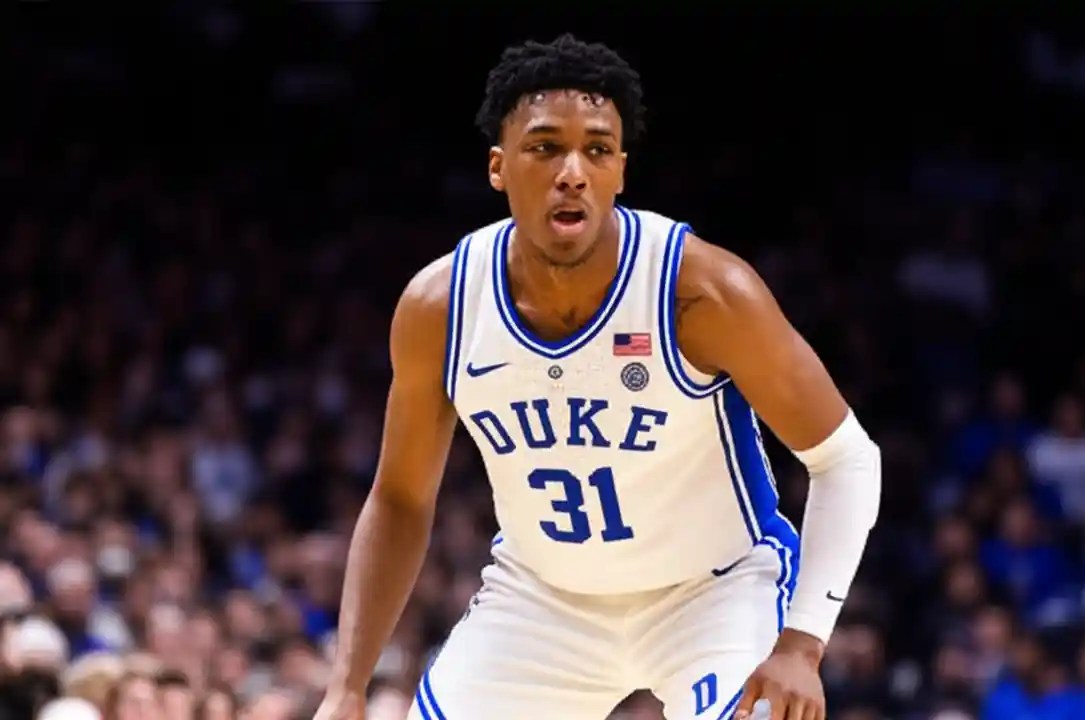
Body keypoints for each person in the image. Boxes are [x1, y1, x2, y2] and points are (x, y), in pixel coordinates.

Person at [314, 34, 881, 720]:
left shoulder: (700, 291)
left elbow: (847, 459)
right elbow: (401, 498)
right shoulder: (442, 308)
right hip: (542, 600)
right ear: (498, 167)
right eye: (545, 147)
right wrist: (347, 685)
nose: (573, 172)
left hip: (714, 591)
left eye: (598, 150)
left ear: (620, 173)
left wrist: (801, 645)